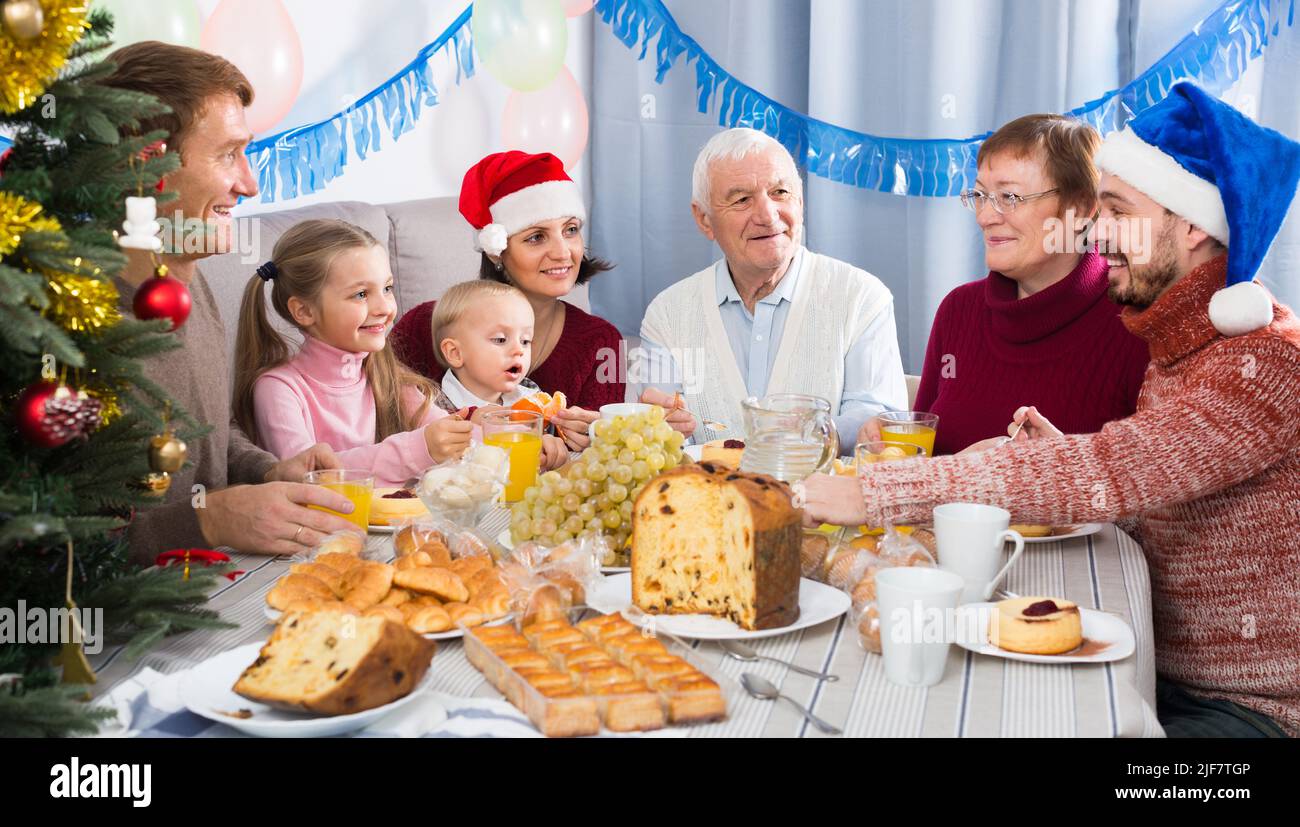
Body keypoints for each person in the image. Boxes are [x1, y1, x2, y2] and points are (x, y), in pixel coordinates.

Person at [800, 83, 1300, 737]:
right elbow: (1156, 476)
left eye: (1118, 210)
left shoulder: (1261, 360)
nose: (1099, 231)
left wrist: (873, 489)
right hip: (1154, 667)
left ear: (1192, 223)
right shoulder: (1175, 340)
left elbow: (1121, 464)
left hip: (1246, 711)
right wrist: (1058, 453)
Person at [103, 42, 360, 561]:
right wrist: (210, 519)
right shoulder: (66, 326)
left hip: (214, 589)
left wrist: (266, 470)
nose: (250, 183)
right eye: (227, 155)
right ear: (143, 164)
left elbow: (211, 440)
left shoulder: (191, 286)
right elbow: (38, 560)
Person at [637, 127, 907, 448]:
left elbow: (875, 416)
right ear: (704, 219)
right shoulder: (667, 314)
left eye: (780, 192)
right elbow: (661, 436)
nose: (767, 214)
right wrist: (656, 426)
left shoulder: (862, 296)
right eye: (741, 199)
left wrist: (793, 441)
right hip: (707, 495)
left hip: (818, 495)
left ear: (801, 201)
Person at [908, 114, 1148, 455]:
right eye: (979, 195)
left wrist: (1059, 468)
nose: (984, 216)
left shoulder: (1137, 327)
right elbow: (919, 457)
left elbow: (1155, 500)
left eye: (1009, 197)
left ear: (1080, 208)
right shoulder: (958, 310)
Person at [390, 151, 625, 448]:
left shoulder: (605, 342)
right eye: (537, 237)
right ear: (496, 250)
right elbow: (383, 416)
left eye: (571, 230)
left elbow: (605, 457)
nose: (563, 252)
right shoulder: (426, 326)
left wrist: (594, 439)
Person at [233, 219, 487, 486]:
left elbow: (452, 436)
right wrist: (419, 448)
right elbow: (312, 476)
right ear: (304, 311)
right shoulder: (278, 389)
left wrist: (500, 435)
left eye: (387, 288)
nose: (384, 307)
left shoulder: (386, 373)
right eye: (362, 294)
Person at [427, 280, 568, 470]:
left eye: (526, 341)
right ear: (455, 353)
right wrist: (472, 430)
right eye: (501, 339)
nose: (519, 350)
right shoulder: (433, 409)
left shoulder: (532, 399)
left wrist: (550, 448)